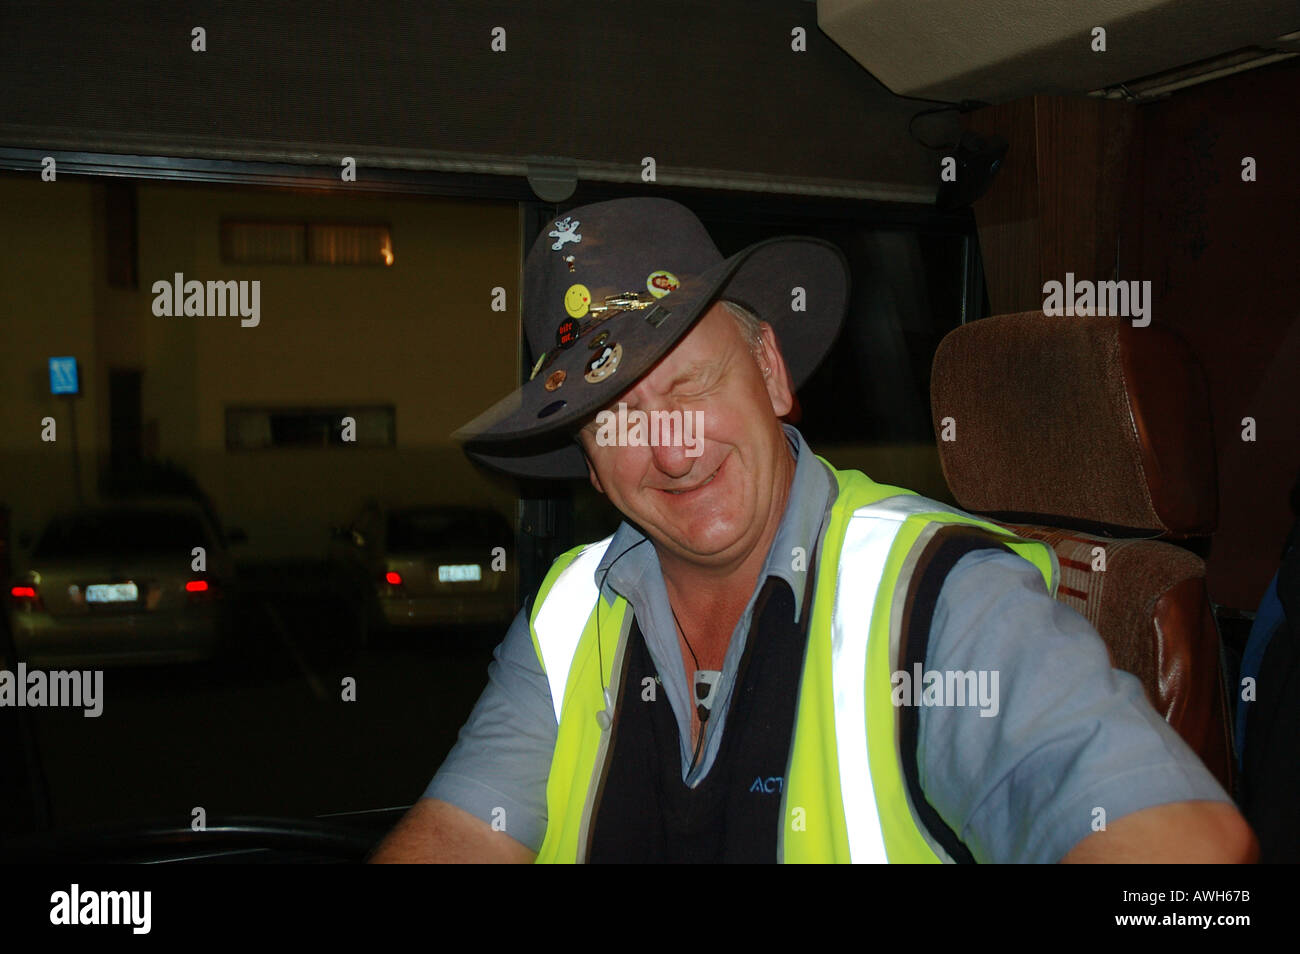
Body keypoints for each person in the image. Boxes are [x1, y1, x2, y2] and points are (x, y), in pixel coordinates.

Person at [371, 197, 1255, 863]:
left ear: (769, 372)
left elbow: (1184, 856)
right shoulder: (569, 613)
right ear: (588, 460)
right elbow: (458, 834)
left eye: (688, 388)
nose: (672, 452)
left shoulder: (936, 593)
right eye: (617, 418)